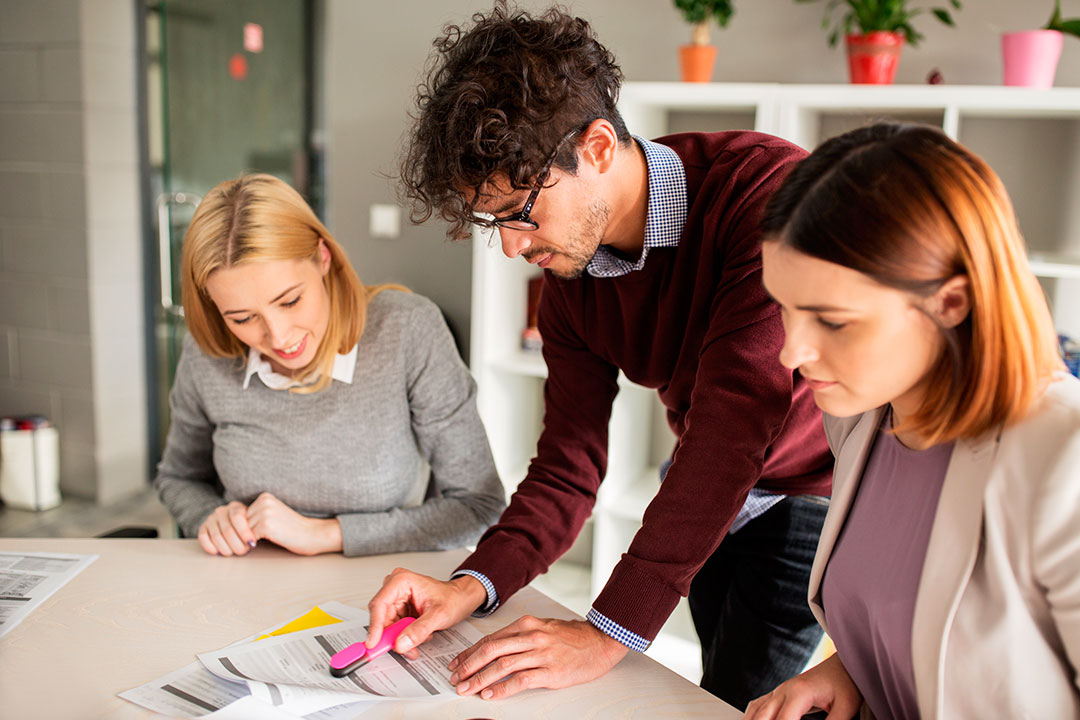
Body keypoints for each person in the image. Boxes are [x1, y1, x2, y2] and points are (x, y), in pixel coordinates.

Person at [363, 4, 833, 708]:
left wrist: (607, 633)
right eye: (495, 224)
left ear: (600, 149)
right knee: (712, 682)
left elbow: (734, 426)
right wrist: (469, 584)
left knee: (741, 695)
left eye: (520, 212)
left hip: (808, 486)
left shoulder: (762, 198)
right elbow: (566, 464)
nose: (513, 247)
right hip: (710, 486)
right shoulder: (571, 284)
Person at [745, 123, 1080, 720]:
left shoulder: (1063, 457)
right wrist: (851, 669)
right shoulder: (865, 417)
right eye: (786, 309)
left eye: (834, 321)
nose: (791, 353)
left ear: (950, 302)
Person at [153, 173, 506, 558]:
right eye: (242, 319)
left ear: (323, 257)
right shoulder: (206, 355)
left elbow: (480, 507)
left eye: (289, 301)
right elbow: (178, 478)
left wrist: (326, 534)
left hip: (377, 590)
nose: (279, 336)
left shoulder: (408, 329)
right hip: (246, 585)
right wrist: (210, 515)